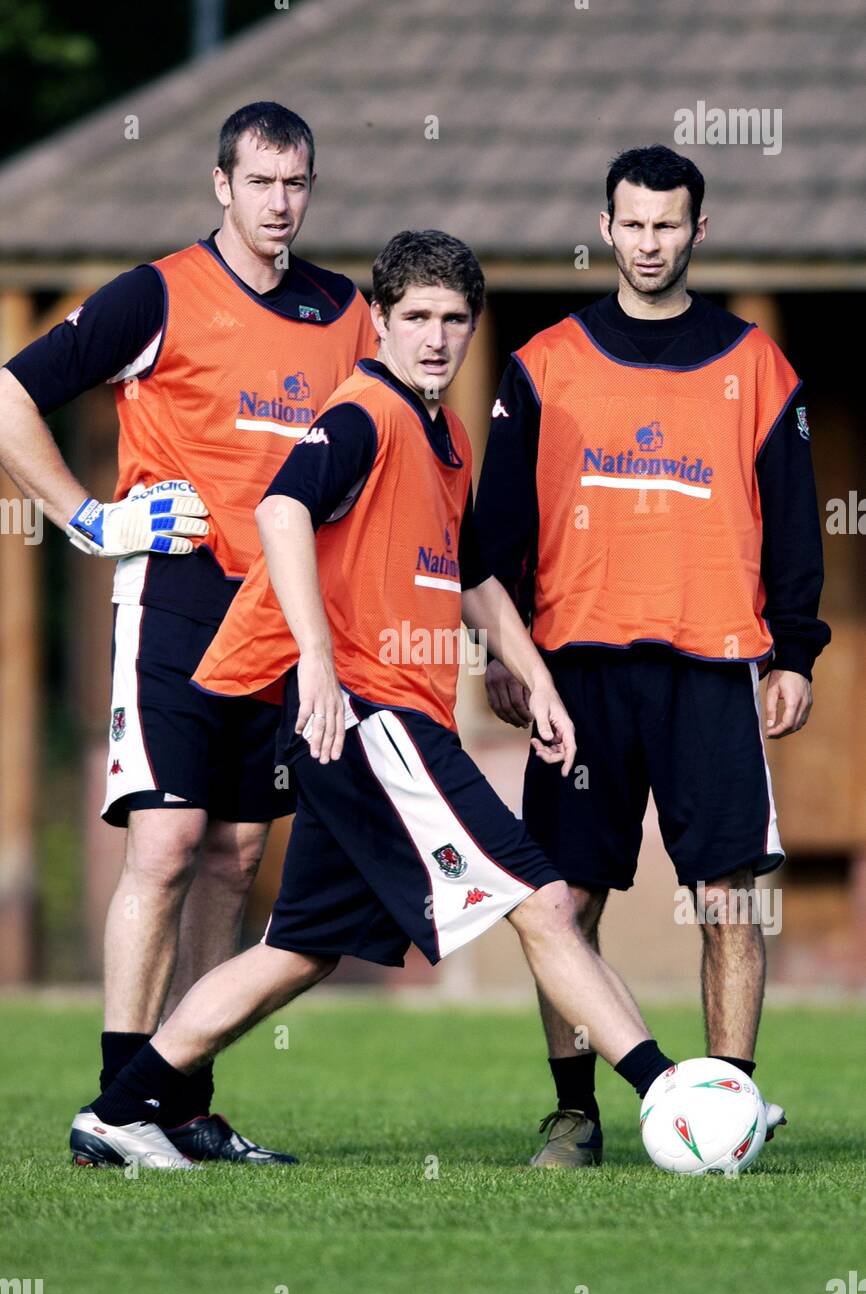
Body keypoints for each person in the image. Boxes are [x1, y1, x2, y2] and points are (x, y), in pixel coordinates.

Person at [68, 230, 682, 1171]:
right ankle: (674, 1095)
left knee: (298, 950)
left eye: (454, 319)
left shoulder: (450, 437)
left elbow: (470, 576)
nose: (436, 337)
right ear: (382, 322)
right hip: (372, 719)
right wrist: (316, 659)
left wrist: (536, 676)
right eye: (417, 317)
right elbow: (281, 509)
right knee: (543, 899)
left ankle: (117, 1111)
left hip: (389, 723)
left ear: (472, 326)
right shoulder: (363, 411)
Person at [0, 101, 377, 1163]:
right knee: (165, 843)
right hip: (175, 598)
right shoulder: (157, 293)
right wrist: (88, 518)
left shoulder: (345, 312)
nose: (279, 203)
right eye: (260, 182)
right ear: (221, 185)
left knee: (235, 855)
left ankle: (182, 1104)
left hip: (281, 617)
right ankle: (115, 1108)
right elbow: (10, 396)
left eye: (295, 183)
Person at [474, 145, 831, 1168]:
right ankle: (573, 1114)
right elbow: (498, 530)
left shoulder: (754, 364)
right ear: (605, 227)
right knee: (565, 899)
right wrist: (504, 652)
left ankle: (731, 1109)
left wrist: (794, 652)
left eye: (666, 224)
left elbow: (794, 522)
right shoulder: (544, 362)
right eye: (630, 223)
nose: (646, 242)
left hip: (710, 666)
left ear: (696, 231)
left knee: (726, 898)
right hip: (576, 672)